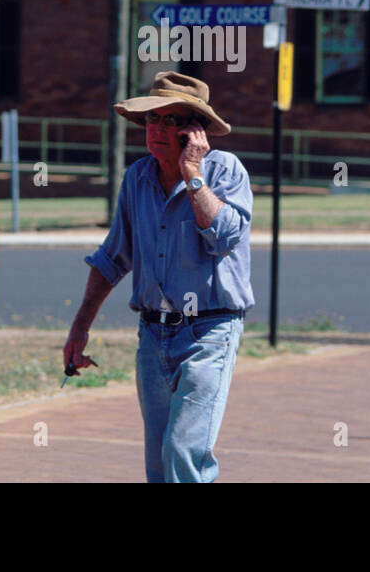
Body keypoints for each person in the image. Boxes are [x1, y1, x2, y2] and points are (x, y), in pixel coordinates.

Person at [63, 71, 254, 483]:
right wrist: (79, 329)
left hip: (210, 332)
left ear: (196, 130)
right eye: (152, 119)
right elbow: (112, 258)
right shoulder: (138, 178)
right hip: (153, 336)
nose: (158, 130)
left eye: (171, 121)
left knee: (184, 451)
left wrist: (192, 174)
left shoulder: (226, 171)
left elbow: (224, 238)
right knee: (158, 463)